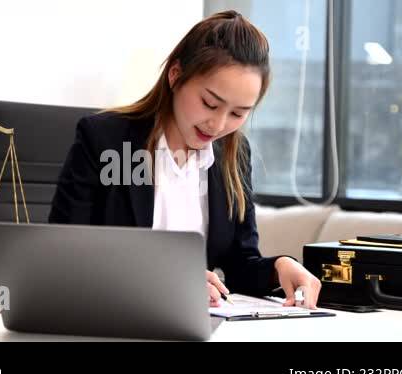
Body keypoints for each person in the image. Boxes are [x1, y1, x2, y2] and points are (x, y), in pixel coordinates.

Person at [49, 10, 321, 308]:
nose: (217, 126)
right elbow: (65, 255)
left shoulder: (234, 155)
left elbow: (240, 264)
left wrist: (279, 266)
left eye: (238, 113)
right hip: (111, 317)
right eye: (210, 103)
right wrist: (166, 278)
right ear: (175, 75)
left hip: (195, 325)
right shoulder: (104, 139)